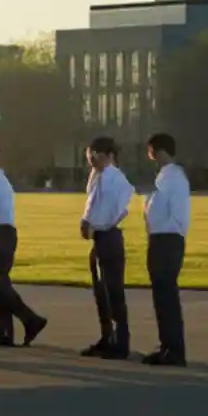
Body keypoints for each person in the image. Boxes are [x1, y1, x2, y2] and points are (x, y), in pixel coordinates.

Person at [0, 141, 49, 347]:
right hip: (6, 232)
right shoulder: (0, 178)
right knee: (1, 283)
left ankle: (30, 319)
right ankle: (5, 331)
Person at [79, 136, 134, 360]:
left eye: (96, 155)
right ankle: (107, 336)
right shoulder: (99, 176)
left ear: (108, 155)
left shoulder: (113, 178)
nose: (92, 160)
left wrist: (90, 223)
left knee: (113, 292)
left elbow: (109, 210)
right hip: (100, 237)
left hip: (108, 236)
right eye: (89, 156)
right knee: (102, 293)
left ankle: (120, 342)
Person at [142, 132, 191, 367]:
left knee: (167, 297)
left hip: (167, 240)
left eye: (150, 151)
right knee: (162, 297)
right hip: (161, 239)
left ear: (158, 151)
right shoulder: (165, 177)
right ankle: (167, 346)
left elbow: (171, 213)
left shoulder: (173, 178)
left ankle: (174, 349)